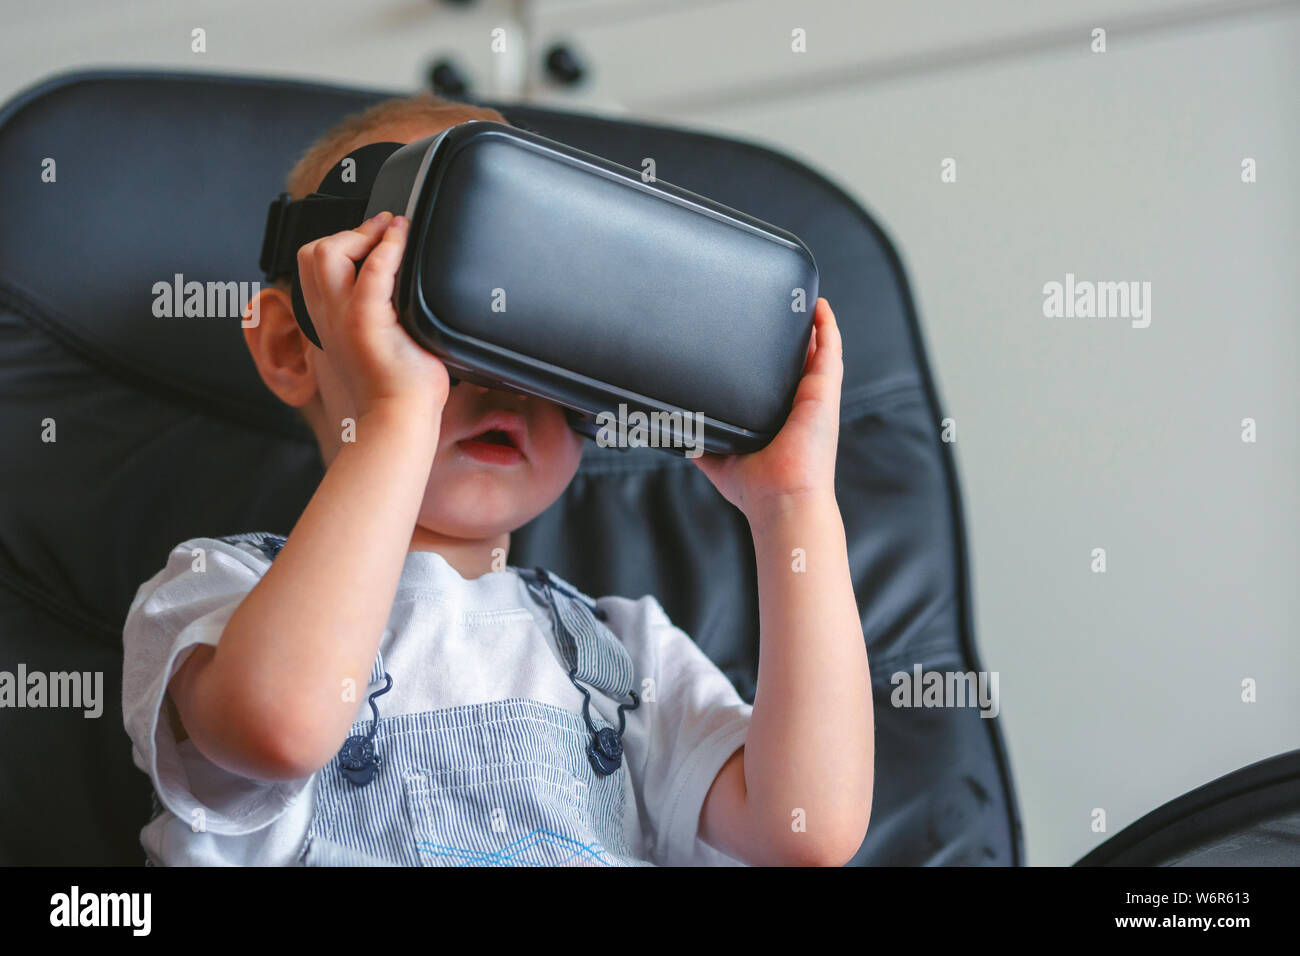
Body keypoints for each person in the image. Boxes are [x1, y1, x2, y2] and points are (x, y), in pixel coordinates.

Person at [121, 93, 873, 866]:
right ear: (290, 347)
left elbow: (808, 828)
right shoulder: (220, 595)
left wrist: (793, 505)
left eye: (545, 331)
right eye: (440, 308)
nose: (505, 380)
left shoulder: (624, 651)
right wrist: (399, 413)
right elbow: (278, 726)